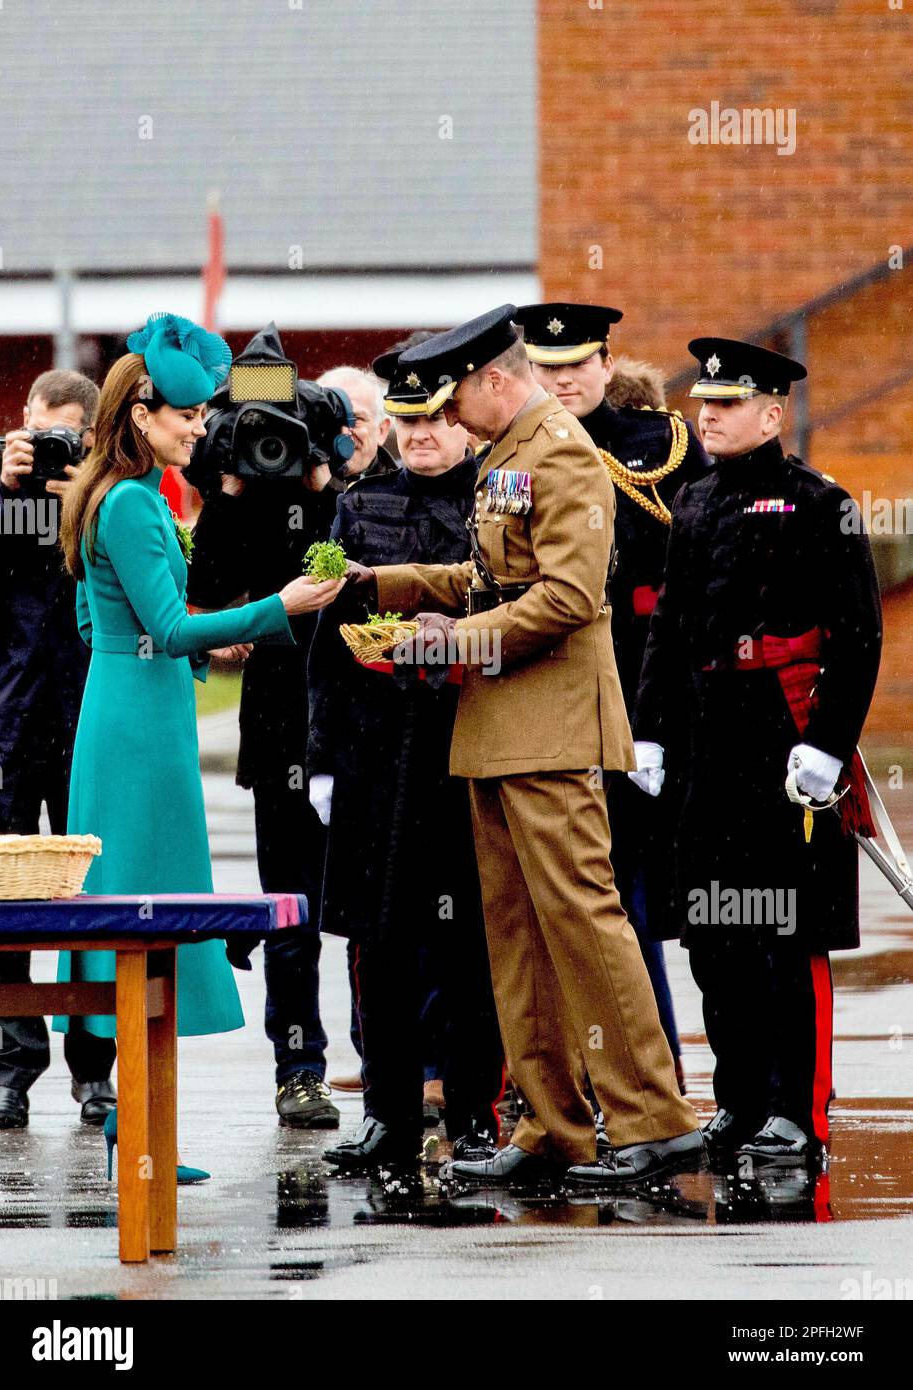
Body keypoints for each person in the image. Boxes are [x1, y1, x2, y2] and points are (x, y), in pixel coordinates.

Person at [347, 305, 702, 1190]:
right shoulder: (510, 452)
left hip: (550, 726)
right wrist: (376, 582)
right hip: (498, 730)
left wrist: (450, 643)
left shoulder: (560, 454)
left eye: (454, 397)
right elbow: (490, 576)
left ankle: (652, 1119)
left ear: (494, 381)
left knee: (583, 922)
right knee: (518, 936)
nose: (444, 418)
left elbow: (569, 599)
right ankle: (553, 1124)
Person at [55, 312, 344, 1176]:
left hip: (124, 708)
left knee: (128, 913)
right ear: (140, 416)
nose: (199, 428)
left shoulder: (101, 494)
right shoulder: (137, 503)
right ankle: (136, 1130)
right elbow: (174, 626)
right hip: (144, 731)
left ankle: (131, 1126)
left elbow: (94, 619)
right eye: (184, 415)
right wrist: (279, 608)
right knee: (148, 911)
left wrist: (164, 642)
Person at [632, 338, 882, 1165]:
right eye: (704, 402)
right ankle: (738, 1100)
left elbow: (857, 633)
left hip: (782, 734)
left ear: (772, 412)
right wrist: (650, 729)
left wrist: (826, 744)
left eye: (728, 403)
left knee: (784, 931)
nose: (708, 415)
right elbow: (667, 630)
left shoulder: (817, 500)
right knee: (712, 931)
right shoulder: (695, 501)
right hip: (707, 738)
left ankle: (794, 1110)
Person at [310, 352, 504, 1171]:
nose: (421, 436)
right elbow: (324, 639)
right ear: (387, 424)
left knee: (473, 943)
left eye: (434, 420)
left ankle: (474, 1113)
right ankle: (386, 1113)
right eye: (408, 422)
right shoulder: (356, 507)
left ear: (458, 422)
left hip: (465, 738)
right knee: (379, 943)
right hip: (376, 751)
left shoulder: (496, 500)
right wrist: (320, 757)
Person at [519, 302, 712, 1095]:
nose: (562, 381)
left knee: (629, 905)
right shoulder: (513, 449)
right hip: (547, 690)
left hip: (641, 692)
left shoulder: (660, 447)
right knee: (550, 909)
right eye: (547, 368)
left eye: (576, 366)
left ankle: (648, 1077)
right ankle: (558, 1087)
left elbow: (694, 566)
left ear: (605, 364)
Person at [186, 325, 343, 1129]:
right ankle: (299, 1068)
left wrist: (321, 477)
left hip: (362, 732)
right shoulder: (233, 501)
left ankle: (418, 1076)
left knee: (401, 913)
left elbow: (349, 570)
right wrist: (227, 491)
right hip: (281, 728)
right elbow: (209, 587)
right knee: (291, 911)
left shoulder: (348, 492)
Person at [0, 370, 119, 1130]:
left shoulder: (108, 491)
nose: (50, 443)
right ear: (22, 422)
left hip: (86, 717)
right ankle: (11, 1069)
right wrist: (5, 493)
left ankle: (93, 1072)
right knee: (2, 902)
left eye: (70, 432)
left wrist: (78, 497)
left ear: (92, 436)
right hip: (3, 721)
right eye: (40, 429)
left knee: (90, 904)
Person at [316, 367, 397, 483]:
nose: (343, 433)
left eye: (354, 419)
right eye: (330, 419)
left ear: (381, 431)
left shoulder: (408, 494)